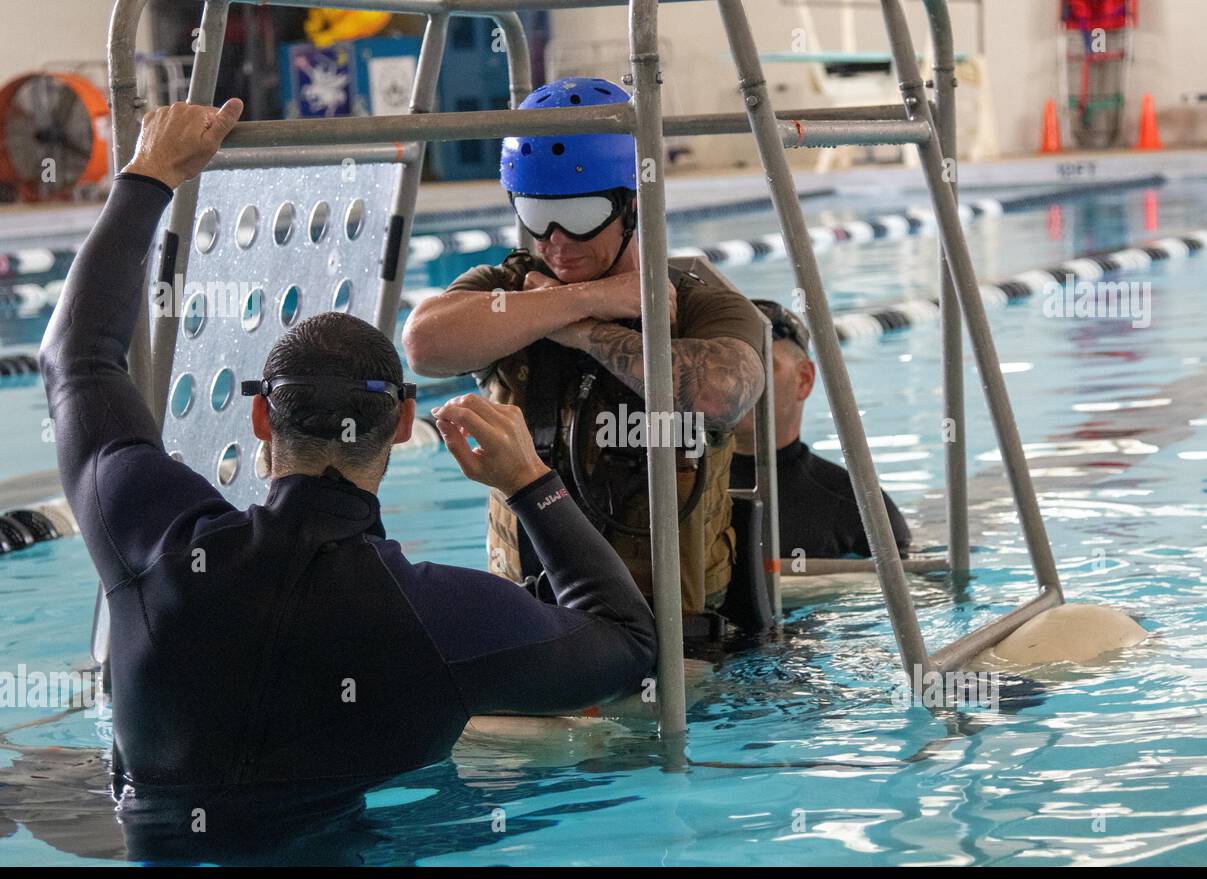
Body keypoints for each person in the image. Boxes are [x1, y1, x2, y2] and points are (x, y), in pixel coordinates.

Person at [38, 98, 656, 791]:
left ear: (262, 421)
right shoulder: (446, 619)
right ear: (401, 423)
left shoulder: (153, 537)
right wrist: (531, 485)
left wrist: (148, 174)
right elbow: (629, 642)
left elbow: (77, 357)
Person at [403, 77, 767, 637]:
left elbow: (720, 395)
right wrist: (587, 300)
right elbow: (422, 345)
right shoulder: (507, 286)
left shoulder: (697, 303)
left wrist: (580, 331)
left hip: (676, 641)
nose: (554, 240)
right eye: (535, 212)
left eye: (578, 215)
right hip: (532, 627)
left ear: (631, 206)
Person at [730, 300, 912, 559]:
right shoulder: (672, 487)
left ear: (803, 379)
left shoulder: (859, 510)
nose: (738, 380)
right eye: (726, 366)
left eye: (761, 364)